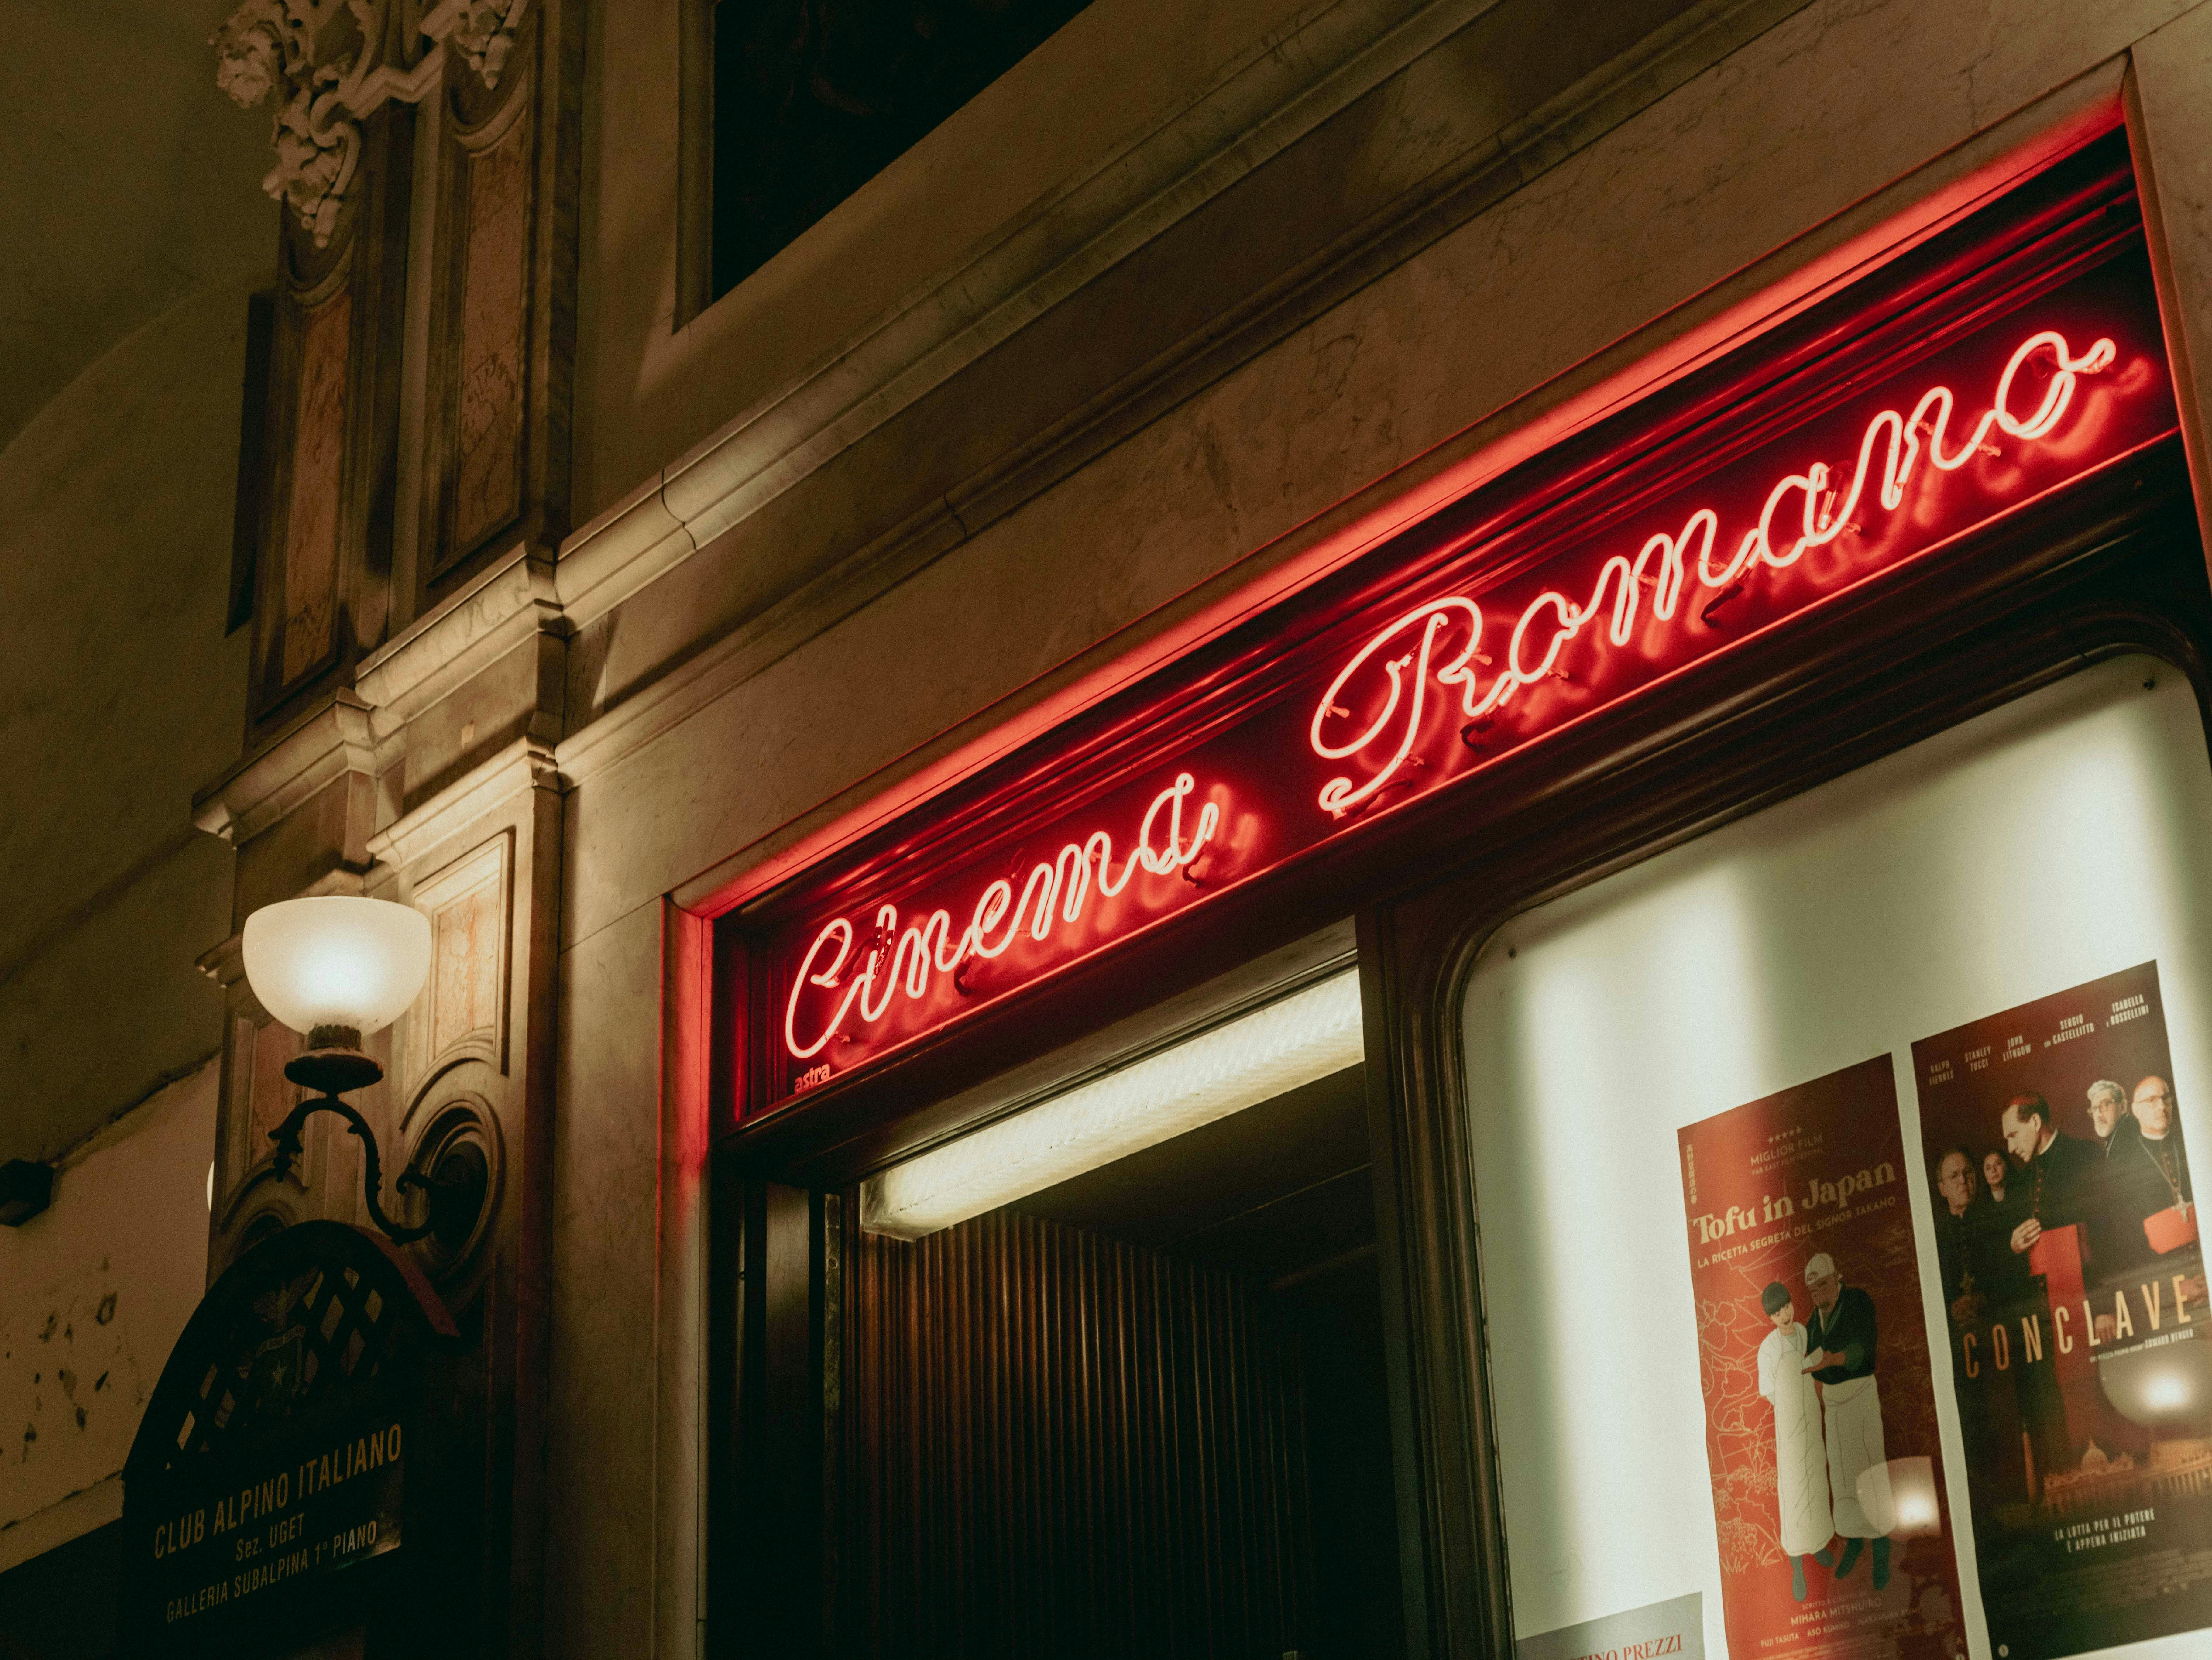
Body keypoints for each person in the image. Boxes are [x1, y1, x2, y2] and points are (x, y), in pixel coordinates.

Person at [1803, 1253, 1895, 1589]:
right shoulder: (1815, 1318)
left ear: (1837, 1278)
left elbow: (1865, 1346)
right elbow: (1812, 1354)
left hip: (1859, 1393)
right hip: (1833, 1401)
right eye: (1812, 1291)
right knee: (1841, 1474)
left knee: (1868, 1470)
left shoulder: (1858, 1302)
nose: (1818, 1296)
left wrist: (1836, 1358)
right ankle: (1854, 1540)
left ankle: (1880, 1545)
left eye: (1823, 1286)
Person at [1757, 1281, 1836, 1602]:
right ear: (1771, 1317)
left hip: (1810, 1417)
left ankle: (1817, 1544)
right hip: (1788, 1424)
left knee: (1815, 1478)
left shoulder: (1804, 1332)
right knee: (1793, 1488)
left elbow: (1812, 1367)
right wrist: (1789, 1411)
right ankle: (1797, 1567)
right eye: (1776, 1313)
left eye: (1786, 1307)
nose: (1784, 1315)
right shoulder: (1768, 1348)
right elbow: (1769, 1390)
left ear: (1792, 1304)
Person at [1933, 1148, 1984, 1326]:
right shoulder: (1935, 1235)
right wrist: (1950, 1310)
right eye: (1954, 1176)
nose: (1963, 1181)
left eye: (1967, 1173)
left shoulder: (1993, 1218)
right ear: (1942, 1188)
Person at [2087, 1079, 2128, 1151]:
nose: (2099, 1114)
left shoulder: (2132, 1139)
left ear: (2123, 1107)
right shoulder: (2113, 1141)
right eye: (2095, 1108)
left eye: (2105, 1105)